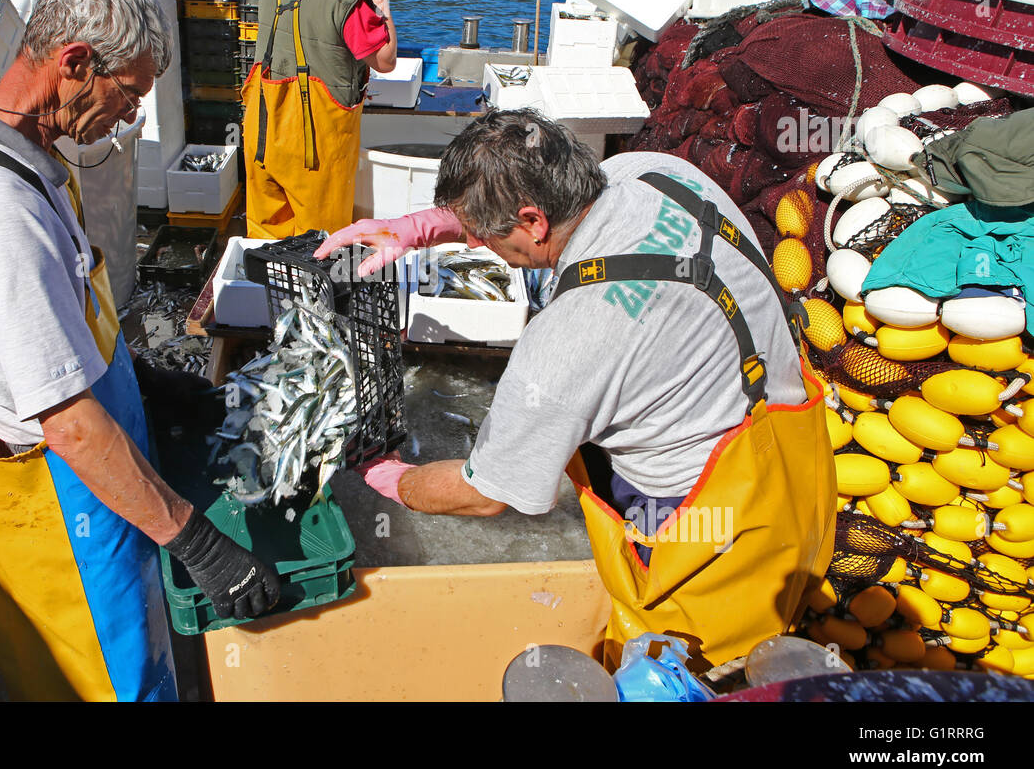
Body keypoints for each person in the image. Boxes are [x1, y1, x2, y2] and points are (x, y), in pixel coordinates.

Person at [0, 0, 279, 701]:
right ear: (75, 64)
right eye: (128, 97)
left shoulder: (10, 145)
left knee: (145, 658)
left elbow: (47, 329)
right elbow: (69, 425)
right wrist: (194, 539)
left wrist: (148, 386)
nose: (126, 119)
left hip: (97, 471)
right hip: (65, 504)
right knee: (115, 682)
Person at [318, 108, 837, 670]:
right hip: (798, 465)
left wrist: (391, 478)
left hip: (705, 534)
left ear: (534, 223)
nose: (483, 248)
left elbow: (486, 492)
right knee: (776, 627)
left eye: (486, 237)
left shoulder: (567, 342)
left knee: (684, 670)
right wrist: (418, 228)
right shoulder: (656, 172)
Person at [243, 0, 398, 239]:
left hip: (262, 131)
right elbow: (385, 60)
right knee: (321, 247)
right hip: (314, 144)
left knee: (264, 241)